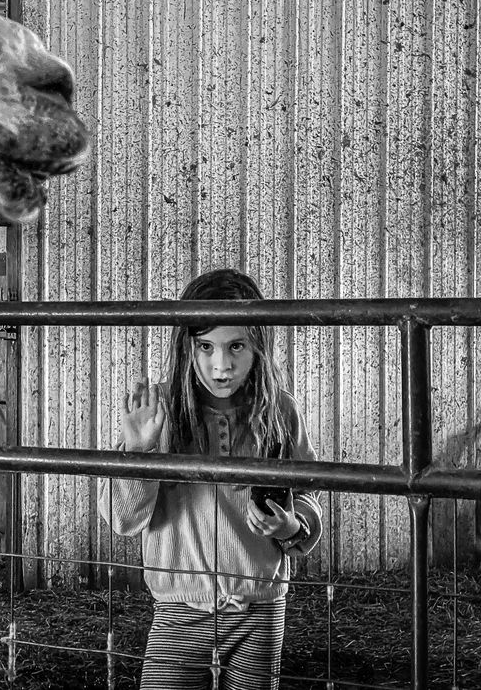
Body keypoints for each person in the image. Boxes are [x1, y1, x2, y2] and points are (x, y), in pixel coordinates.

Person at [100, 268, 322, 690]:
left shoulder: (280, 412)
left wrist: (294, 525)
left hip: (260, 608)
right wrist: (139, 453)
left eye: (236, 345)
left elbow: (309, 494)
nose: (221, 365)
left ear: (259, 345)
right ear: (187, 346)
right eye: (206, 347)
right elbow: (121, 519)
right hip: (179, 609)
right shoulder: (159, 411)